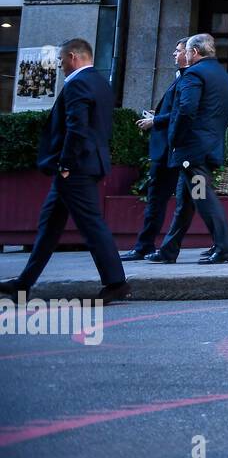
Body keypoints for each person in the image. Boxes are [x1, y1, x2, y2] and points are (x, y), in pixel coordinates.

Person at [0, 39, 131, 303]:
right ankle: (23, 284)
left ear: (73, 57)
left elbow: (77, 127)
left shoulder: (79, 83)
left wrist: (66, 165)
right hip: (88, 164)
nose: (60, 66)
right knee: (49, 227)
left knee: (91, 225)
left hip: (76, 168)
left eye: (61, 61)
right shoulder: (100, 82)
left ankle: (116, 282)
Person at [144, 33, 228, 264]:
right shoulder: (223, 76)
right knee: (186, 201)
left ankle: (226, 247)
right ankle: (169, 250)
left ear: (194, 52)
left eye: (186, 51)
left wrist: (176, 138)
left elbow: (185, 110)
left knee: (202, 196)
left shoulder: (194, 74)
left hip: (191, 153)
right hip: (208, 147)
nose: (184, 55)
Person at [121, 39, 190, 261]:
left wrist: (155, 121)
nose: (173, 54)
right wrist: (157, 115)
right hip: (169, 150)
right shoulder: (182, 78)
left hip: (171, 151)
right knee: (167, 199)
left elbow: (183, 113)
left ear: (190, 53)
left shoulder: (190, 79)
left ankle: (145, 246)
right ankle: (146, 245)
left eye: (178, 51)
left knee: (162, 199)